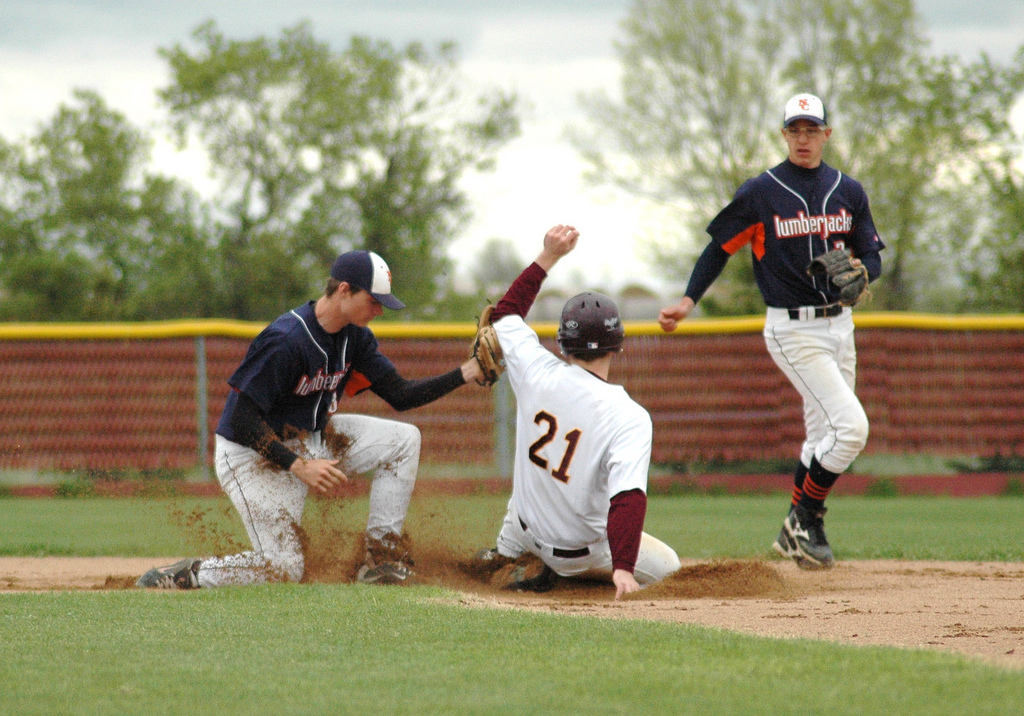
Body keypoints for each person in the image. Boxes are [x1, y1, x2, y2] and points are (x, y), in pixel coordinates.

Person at [137, 249, 484, 589]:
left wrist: (468, 372)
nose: (379, 310)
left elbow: (402, 395)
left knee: (404, 440)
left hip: (311, 441)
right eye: (373, 301)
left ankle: (380, 557)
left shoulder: (356, 336)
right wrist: (299, 466)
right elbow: (242, 419)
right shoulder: (286, 339)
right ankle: (193, 573)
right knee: (285, 568)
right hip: (252, 456)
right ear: (345, 290)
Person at [658, 93, 885, 570]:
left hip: (841, 326)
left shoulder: (850, 190)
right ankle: (807, 516)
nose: (803, 138)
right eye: (794, 130)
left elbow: (873, 255)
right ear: (784, 135)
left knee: (823, 435)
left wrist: (866, 270)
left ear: (826, 134)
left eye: (811, 129)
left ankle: (791, 534)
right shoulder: (761, 191)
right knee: (852, 429)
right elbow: (719, 248)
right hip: (792, 329)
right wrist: (688, 299)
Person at [476, 224, 681, 600]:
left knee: (524, 510)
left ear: (562, 341)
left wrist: (549, 255)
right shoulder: (628, 416)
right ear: (617, 345)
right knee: (671, 568)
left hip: (522, 526)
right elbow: (627, 499)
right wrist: (621, 568)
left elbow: (505, 314)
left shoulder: (535, 370)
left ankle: (509, 555)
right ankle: (561, 576)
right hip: (577, 553)